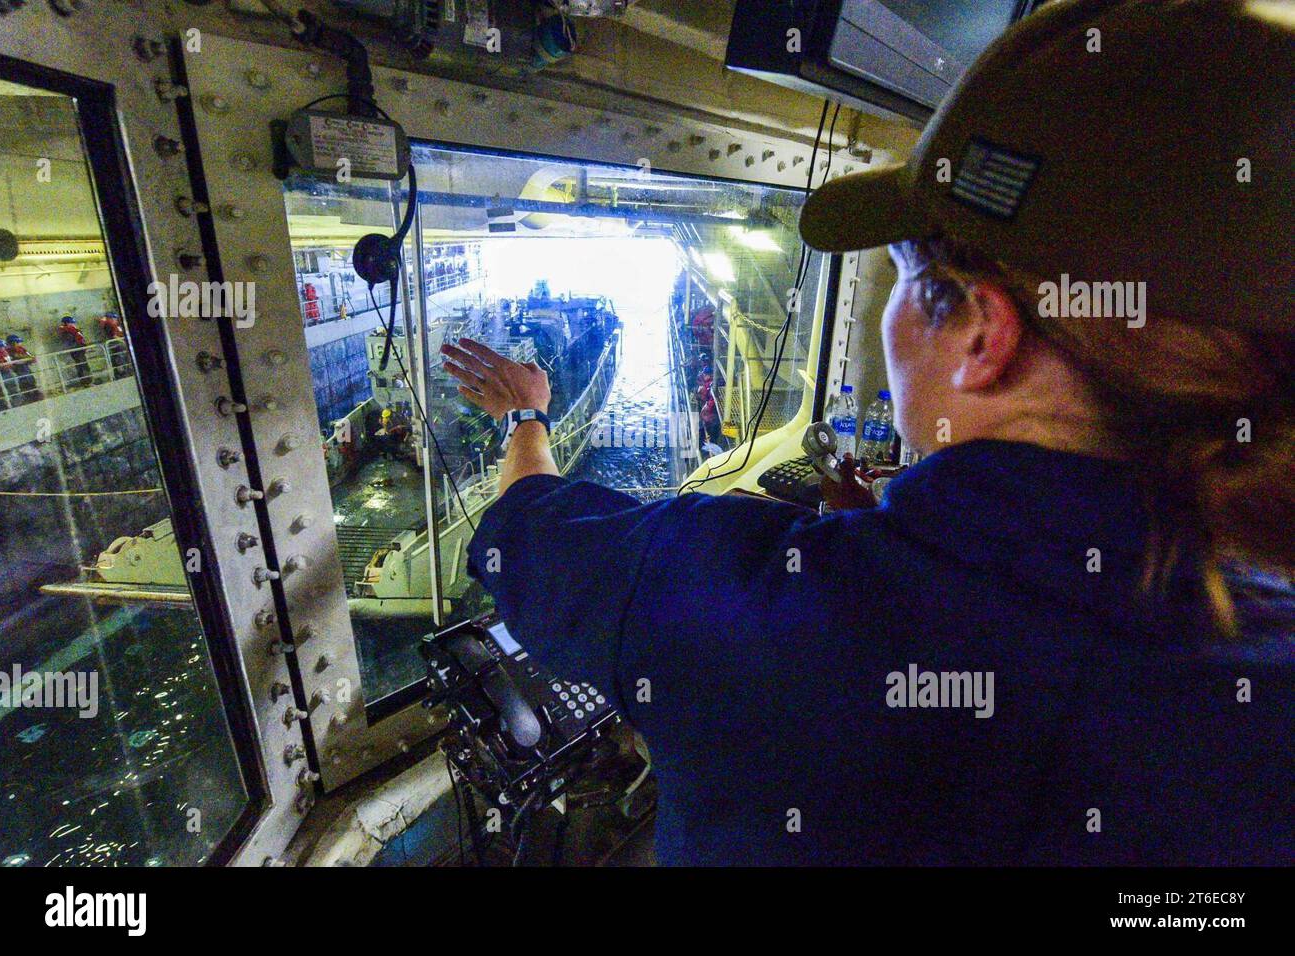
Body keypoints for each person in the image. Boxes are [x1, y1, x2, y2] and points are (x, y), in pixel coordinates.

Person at [442, 0, 1293, 865]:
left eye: (903, 275)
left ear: (982, 335)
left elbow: (529, 535)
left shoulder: (746, 602)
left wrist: (527, 414)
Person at [4, 333, 40, 405]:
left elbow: (31, 357)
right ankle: (27, 396)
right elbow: (14, 360)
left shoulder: (22, 349)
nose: (19, 344)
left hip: (25, 368)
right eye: (17, 342)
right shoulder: (8, 351)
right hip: (17, 370)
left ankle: (35, 393)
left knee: (31, 380)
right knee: (23, 383)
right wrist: (25, 359)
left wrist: (28, 359)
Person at [56, 315, 90, 389]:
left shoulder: (71, 330)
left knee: (82, 365)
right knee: (82, 365)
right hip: (77, 351)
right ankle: (86, 382)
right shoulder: (67, 332)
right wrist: (80, 347)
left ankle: (87, 381)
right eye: (71, 323)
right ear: (67, 323)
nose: (73, 324)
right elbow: (71, 342)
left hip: (79, 350)